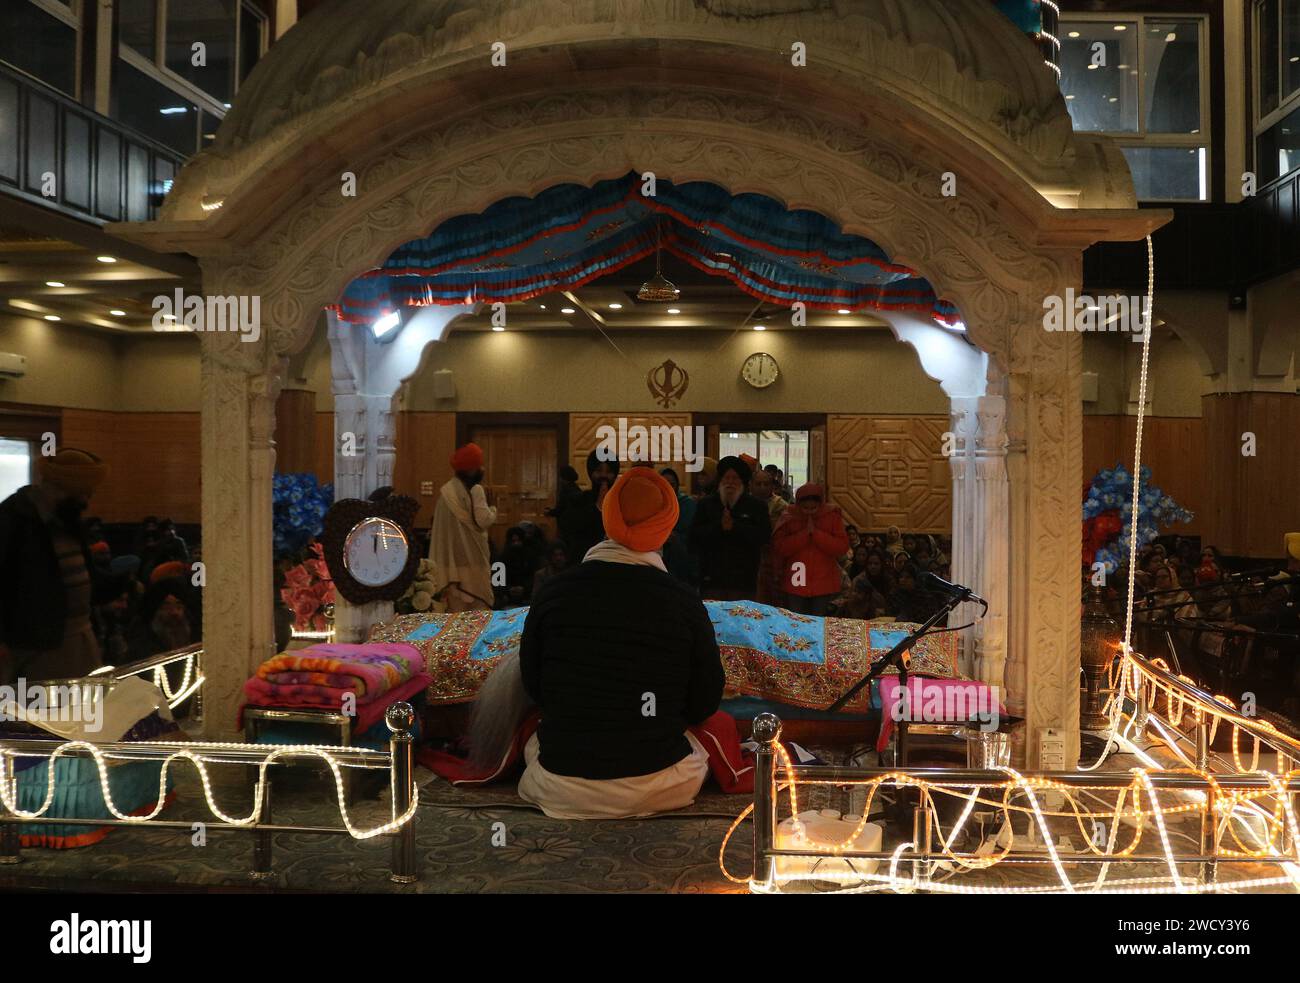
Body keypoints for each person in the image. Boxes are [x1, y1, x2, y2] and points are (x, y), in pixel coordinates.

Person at [517, 467, 725, 819]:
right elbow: (705, 702)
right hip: (656, 783)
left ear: (608, 516)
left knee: (527, 730)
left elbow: (534, 684)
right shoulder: (683, 601)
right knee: (716, 731)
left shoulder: (553, 592)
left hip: (558, 782)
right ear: (666, 528)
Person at [0, 448, 111, 684]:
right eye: (82, 493)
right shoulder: (12, 519)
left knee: (82, 714)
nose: (87, 500)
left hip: (79, 639)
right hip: (37, 648)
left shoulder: (68, 520)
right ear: (62, 488)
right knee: (45, 717)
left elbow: (87, 579)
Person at [689, 455, 771, 601]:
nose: (730, 483)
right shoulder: (706, 505)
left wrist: (736, 527)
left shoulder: (756, 506)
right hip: (711, 579)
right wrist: (718, 527)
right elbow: (694, 537)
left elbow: (764, 537)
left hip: (744, 581)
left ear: (742, 482)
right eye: (726, 478)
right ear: (720, 481)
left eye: (735, 479)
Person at [428, 442, 497, 612]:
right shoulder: (477, 490)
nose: (483, 469)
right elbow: (484, 521)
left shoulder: (446, 493)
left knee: (454, 616)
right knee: (477, 616)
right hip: (473, 564)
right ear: (472, 469)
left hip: (449, 568)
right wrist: (494, 507)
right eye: (480, 466)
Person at [770, 483, 850, 616]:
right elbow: (780, 547)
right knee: (796, 621)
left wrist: (817, 534)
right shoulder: (789, 516)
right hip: (796, 577)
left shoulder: (831, 515)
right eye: (805, 508)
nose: (809, 512)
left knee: (818, 624)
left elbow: (841, 547)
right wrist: (804, 535)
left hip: (823, 580)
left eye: (814, 508)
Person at [557, 450, 619, 566]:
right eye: (599, 471)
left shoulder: (621, 502)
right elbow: (570, 529)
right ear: (590, 472)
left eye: (609, 471)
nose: (603, 476)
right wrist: (598, 508)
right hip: (584, 562)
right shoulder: (577, 500)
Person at [658, 467, 697, 586]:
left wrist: (675, 537)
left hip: (680, 563)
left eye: (672, 484)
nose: (668, 488)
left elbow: (692, 535)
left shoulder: (686, 505)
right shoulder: (652, 503)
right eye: (664, 484)